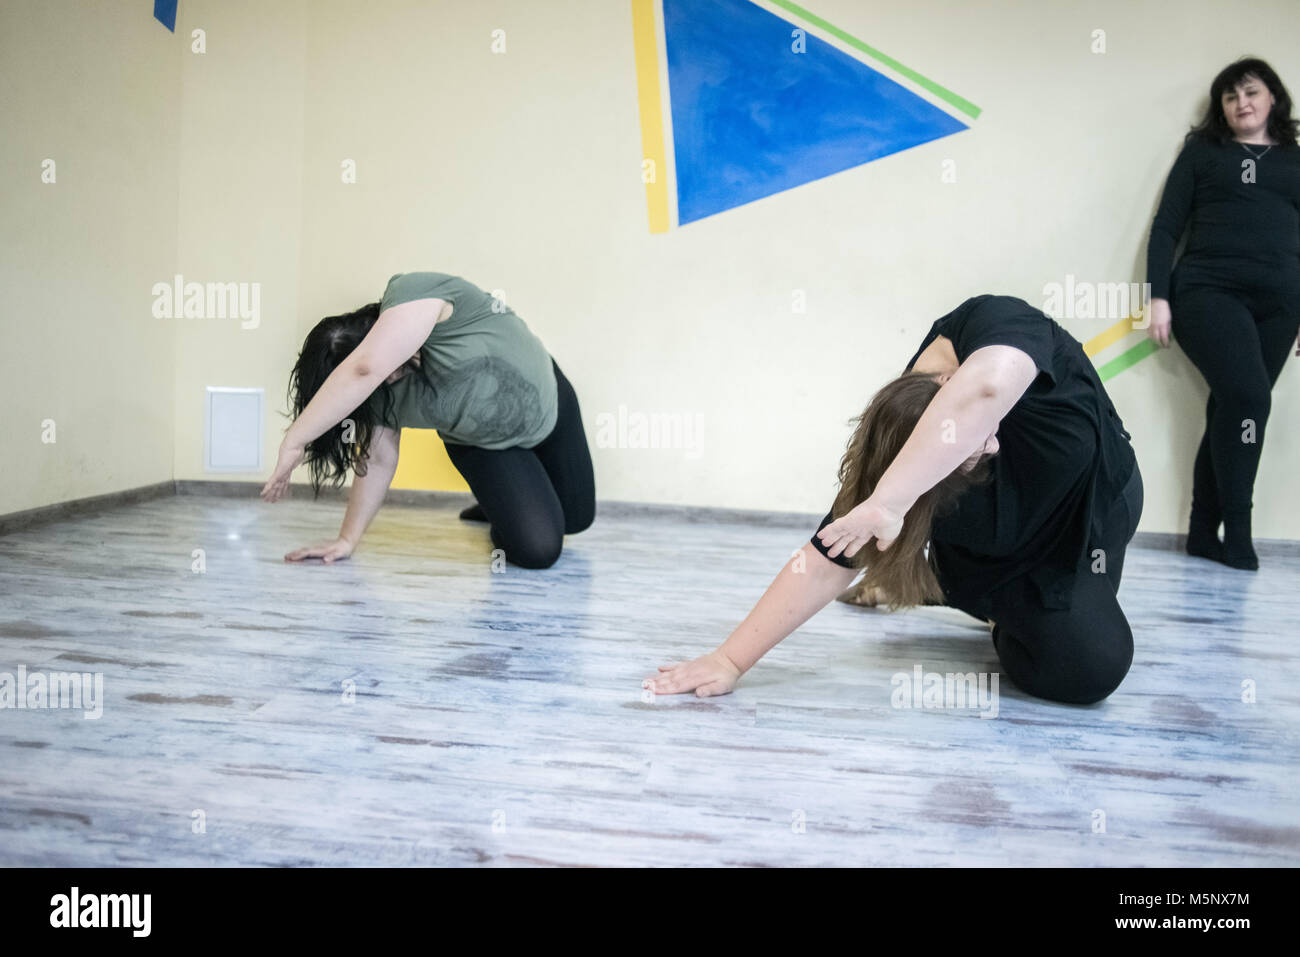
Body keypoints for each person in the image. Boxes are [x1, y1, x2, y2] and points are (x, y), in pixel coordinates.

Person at [646, 296, 1143, 705]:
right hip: (994, 555)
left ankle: (961, 596)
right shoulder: (901, 438)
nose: (993, 445)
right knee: (1090, 667)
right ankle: (983, 602)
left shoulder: (997, 322)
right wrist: (729, 659)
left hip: (1090, 517)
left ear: (949, 392)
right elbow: (826, 558)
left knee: (1081, 648)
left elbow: (988, 386)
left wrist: (889, 501)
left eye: (972, 445)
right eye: (974, 456)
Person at [260, 272, 595, 568]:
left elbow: (366, 368)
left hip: (551, 409)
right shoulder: (376, 395)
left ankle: (504, 500)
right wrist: (347, 540)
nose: (387, 378)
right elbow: (377, 461)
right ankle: (501, 506)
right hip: (485, 448)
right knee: (537, 551)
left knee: (577, 520)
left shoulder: (414, 293)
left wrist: (295, 439)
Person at [1146, 56, 1300, 571]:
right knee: (1250, 398)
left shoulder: (1296, 160)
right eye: (1230, 97)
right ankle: (1238, 528)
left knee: (1232, 407)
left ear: (1272, 97)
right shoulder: (1203, 153)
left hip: (1281, 303)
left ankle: (1199, 530)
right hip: (1208, 293)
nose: (1242, 103)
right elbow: (1167, 226)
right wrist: (1159, 296)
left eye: (1251, 92)